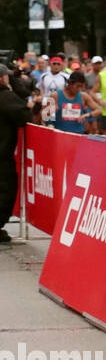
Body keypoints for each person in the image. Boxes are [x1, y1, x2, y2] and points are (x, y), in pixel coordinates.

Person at [0, 65, 27, 241]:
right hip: (2, 156)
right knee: (5, 190)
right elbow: (25, 115)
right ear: (3, 79)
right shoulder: (5, 98)